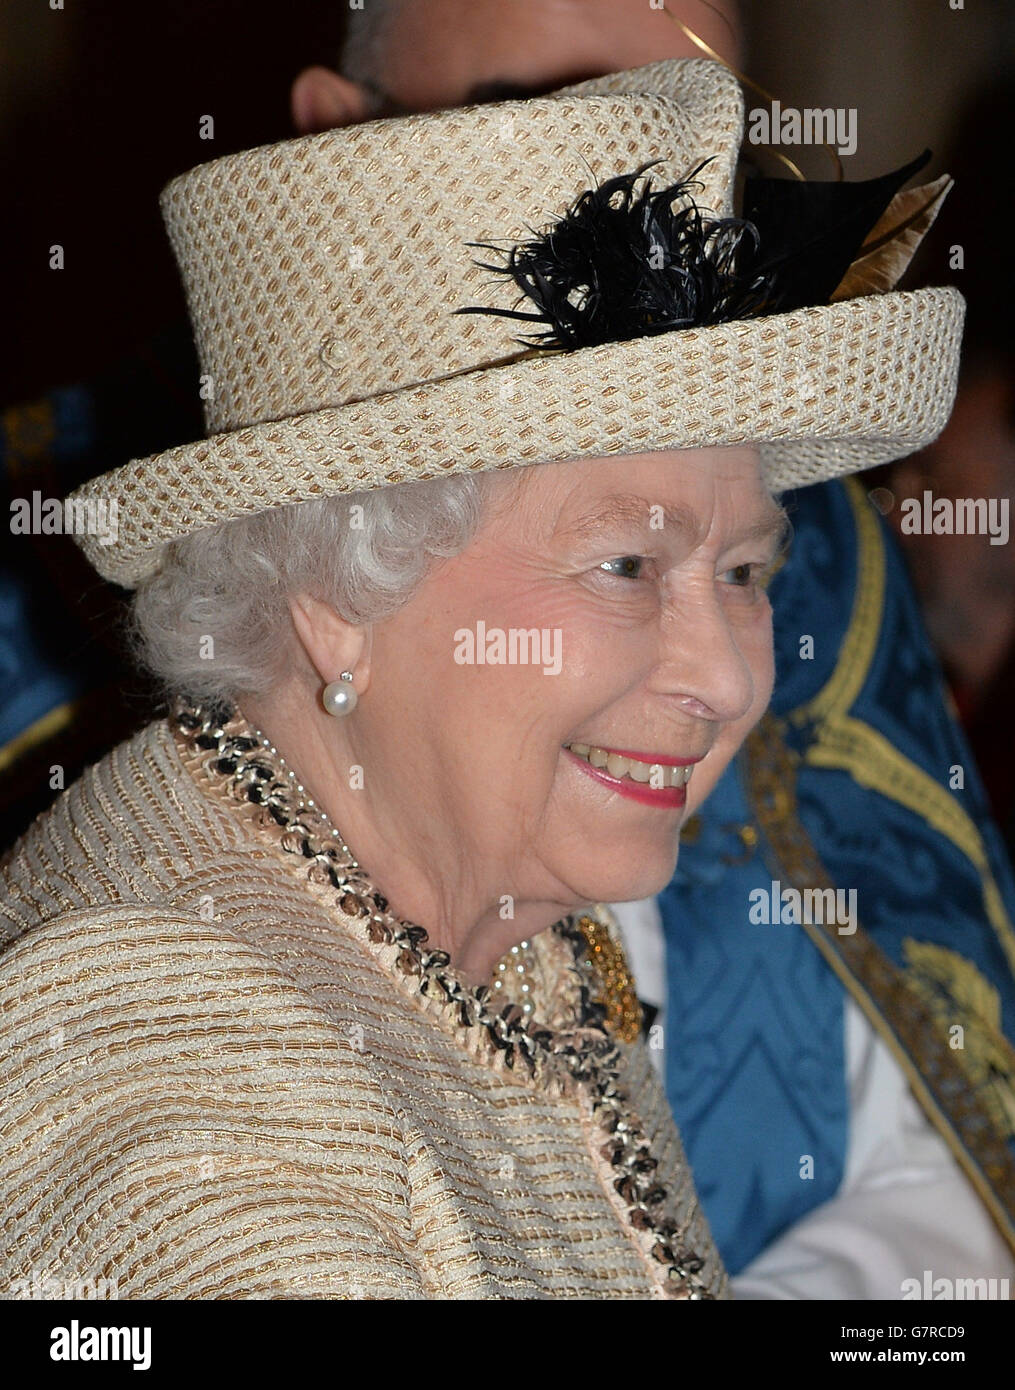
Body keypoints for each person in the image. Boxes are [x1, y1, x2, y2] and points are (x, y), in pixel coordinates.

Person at [0, 56, 963, 1298]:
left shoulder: (498, 928)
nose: (728, 678)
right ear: (339, 594)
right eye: (625, 563)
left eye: (742, 573)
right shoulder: (166, 1045)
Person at [300, 0, 1015, 1298]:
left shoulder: (823, 553)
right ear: (332, 140)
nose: (637, 210)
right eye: (542, 128)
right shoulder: (79, 590)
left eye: (692, 149)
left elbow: (944, 1173)